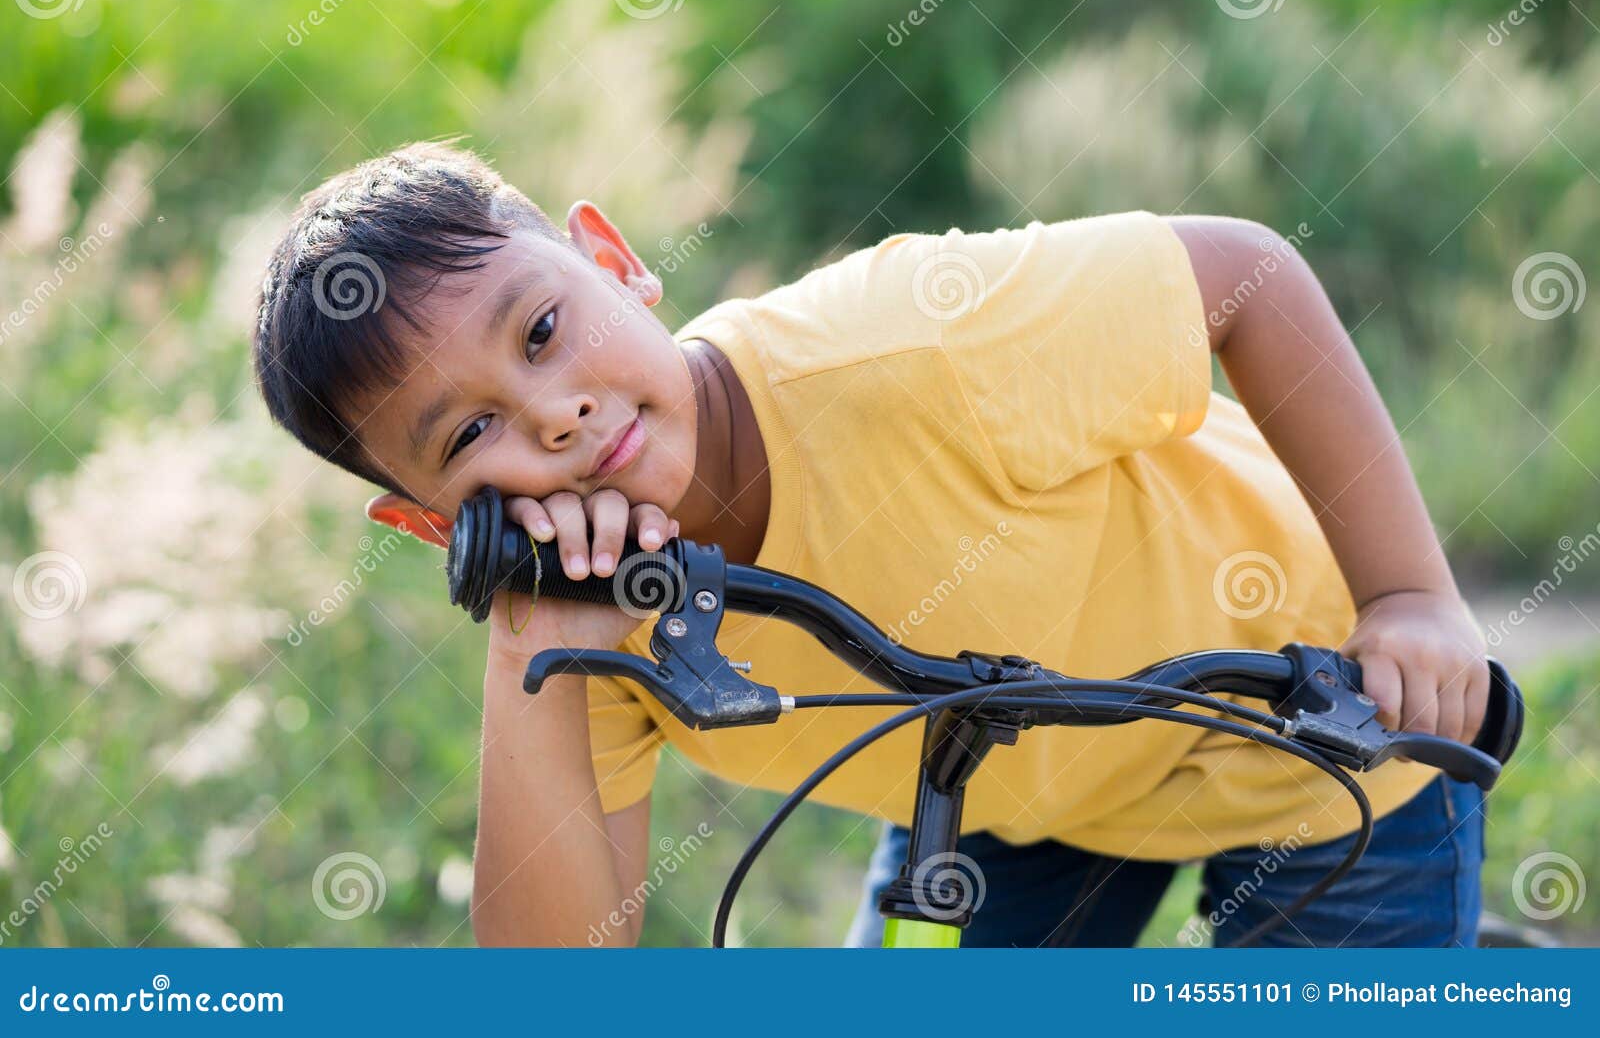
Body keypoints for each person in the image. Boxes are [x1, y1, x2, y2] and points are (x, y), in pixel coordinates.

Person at [251, 140, 1490, 947]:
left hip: (1321, 724)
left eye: (539, 332)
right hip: (1008, 790)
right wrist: (536, 637)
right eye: (473, 433)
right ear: (434, 525)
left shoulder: (910, 350)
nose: (556, 411)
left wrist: (1408, 595)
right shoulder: (597, 605)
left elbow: (1248, 278)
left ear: (617, 264)